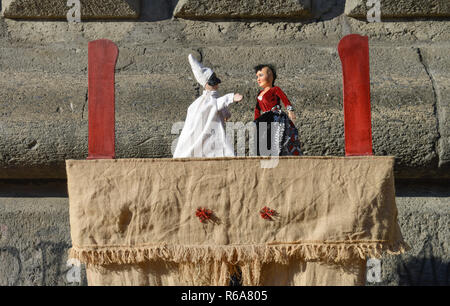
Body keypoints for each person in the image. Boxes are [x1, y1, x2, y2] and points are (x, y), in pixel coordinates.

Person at [172, 54, 243, 158]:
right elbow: (214, 104)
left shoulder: (213, 98)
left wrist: (225, 113)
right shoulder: (203, 101)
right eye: (212, 82)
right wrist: (231, 97)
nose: (216, 85)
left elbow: (217, 104)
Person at [253, 64, 303, 156]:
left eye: (261, 75)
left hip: (275, 117)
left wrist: (290, 110)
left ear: (271, 76)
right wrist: (256, 121)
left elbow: (285, 99)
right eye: (257, 76)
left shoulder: (275, 89)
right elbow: (257, 109)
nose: (258, 79)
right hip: (264, 118)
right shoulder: (259, 93)